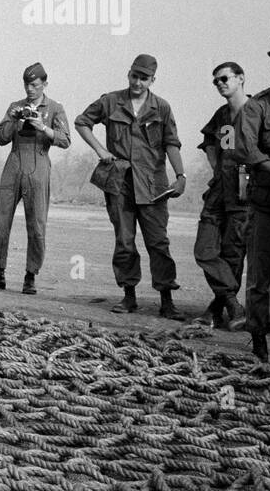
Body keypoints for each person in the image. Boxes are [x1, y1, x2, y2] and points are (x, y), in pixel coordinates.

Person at [75, 54, 188, 319]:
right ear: (128, 74)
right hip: (119, 183)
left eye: (144, 78)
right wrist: (101, 150)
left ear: (152, 80)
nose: (138, 82)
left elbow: (171, 142)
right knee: (124, 241)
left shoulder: (162, 107)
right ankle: (129, 297)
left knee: (158, 242)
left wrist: (180, 175)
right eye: (134, 76)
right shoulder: (111, 101)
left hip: (153, 185)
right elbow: (82, 122)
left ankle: (166, 300)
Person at [0, 63, 71, 294]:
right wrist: (16, 121)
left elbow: (66, 140)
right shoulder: (15, 106)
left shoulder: (55, 108)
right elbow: (0, 138)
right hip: (14, 163)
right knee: (1, 222)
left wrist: (42, 127)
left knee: (37, 225)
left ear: (44, 84)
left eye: (35, 85)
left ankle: (31, 276)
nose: (30, 89)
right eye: (27, 85)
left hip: (39, 165)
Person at [193, 62, 250, 330]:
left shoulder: (258, 110)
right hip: (219, 188)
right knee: (204, 249)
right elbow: (209, 142)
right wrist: (217, 167)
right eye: (215, 81)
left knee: (233, 253)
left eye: (224, 78)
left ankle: (217, 309)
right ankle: (231, 303)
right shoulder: (222, 114)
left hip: (245, 189)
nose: (220, 84)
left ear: (240, 78)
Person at [238, 40, 270, 362]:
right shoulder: (258, 107)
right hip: (266, 205)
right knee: (259, 278)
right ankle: (258, 340)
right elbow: (247, 150)